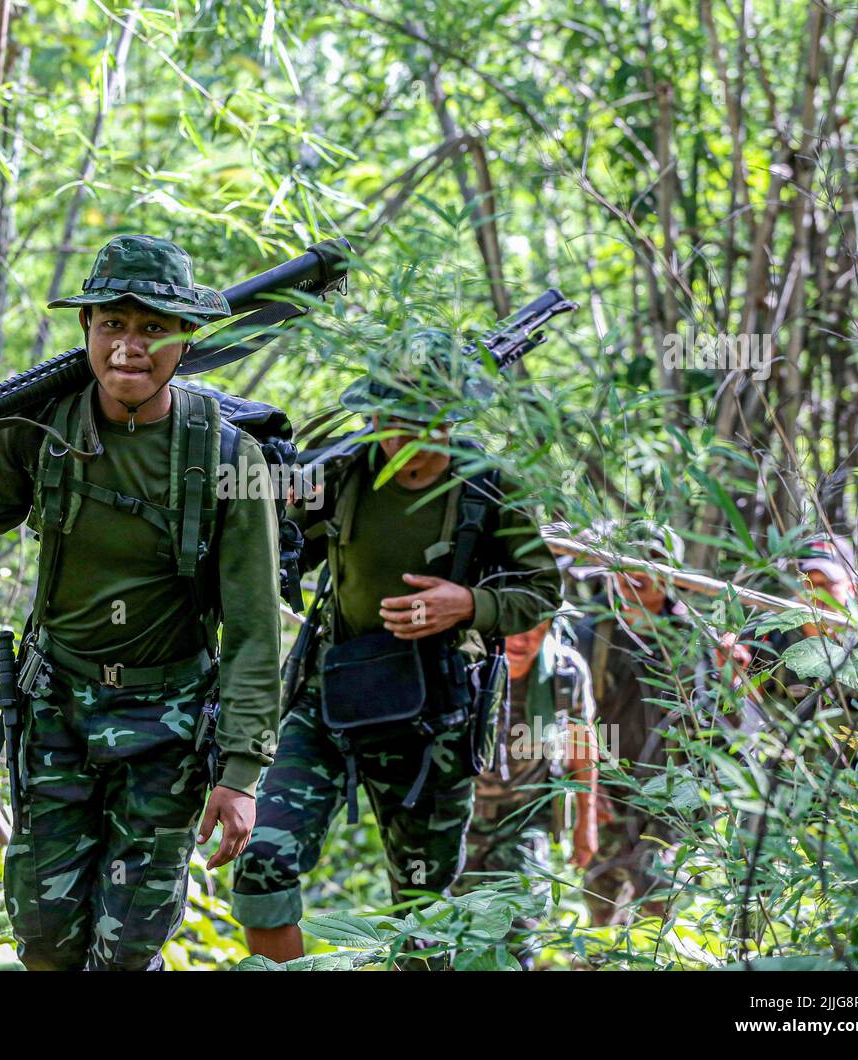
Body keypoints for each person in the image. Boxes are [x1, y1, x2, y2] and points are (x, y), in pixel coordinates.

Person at [0, 234, 282, 970]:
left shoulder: (227, 459)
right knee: (46, 937)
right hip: (58, 707)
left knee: (128, 949)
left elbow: (253, 629)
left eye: (153, 327)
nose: (129, 346)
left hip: (169, 723)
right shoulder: (40, 428)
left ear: (186, 340)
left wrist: (240, 775)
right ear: (86, 331)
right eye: (112, 325)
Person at [230, 328, 562, 962]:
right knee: (263, 858)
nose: (401, 439)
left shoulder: (489, 488)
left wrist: (469, 605)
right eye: (389, 420)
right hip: (330, 700)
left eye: (421, 423)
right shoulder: (343, 470)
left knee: (423, 908)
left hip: (431, 721)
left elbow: (543, 589)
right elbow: (268, 544)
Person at [572, 520, 695, 926]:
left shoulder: (696, 641)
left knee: (658, 913)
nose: (636, 575)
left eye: (652, 562)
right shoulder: (590, 637)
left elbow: (719, 725)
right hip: (609, 795)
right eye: (626, 563)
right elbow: (571, 724)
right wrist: (589, 793)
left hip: (670, 800)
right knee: (601, 913)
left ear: (671, 573)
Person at [458, 615, 599, 963]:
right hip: (457, 816)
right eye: (513, 623)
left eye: (534, 625)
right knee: (451, 932)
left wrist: (586, 821)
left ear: (550, 625)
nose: (521, 638)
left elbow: (583, 742)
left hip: (524, 816)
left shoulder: (565, 672)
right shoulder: (463, 666)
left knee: (519, 930)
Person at [714, 533, 858, 765]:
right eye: (808, 584)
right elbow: (743, 721)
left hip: (850, 776)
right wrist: (731, 676)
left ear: (853, 587)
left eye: (827, 584)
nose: (817, 595)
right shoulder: (768, 636)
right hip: (782, 773)